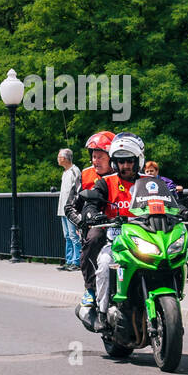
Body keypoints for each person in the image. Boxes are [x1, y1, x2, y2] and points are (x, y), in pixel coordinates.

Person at [77, 132, 147, 331]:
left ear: (138, 161)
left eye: (129, 161)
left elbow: (168, 199)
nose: (125, 166)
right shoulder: (105, 182)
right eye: (121, 161)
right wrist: (91, 213)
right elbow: (91, 202)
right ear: (115, 163)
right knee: (106, 263)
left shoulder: (148, 182)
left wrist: (182, 209)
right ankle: (102, 311)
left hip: (145, 237)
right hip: (116, 241)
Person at [64, 130, 115, 307]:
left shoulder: (123, 174)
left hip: (124, 224)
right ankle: (90, 289)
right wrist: (82, 222)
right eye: (94, 156)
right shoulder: (85, 175)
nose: (95, 161)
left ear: (111, 157)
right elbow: (69, 206)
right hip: (98, 224)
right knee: (93, 239)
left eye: (100, 157)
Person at [56, 148, 82, 272]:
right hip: (62, 209)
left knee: (73, 236)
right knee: (67, 236)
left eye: (59, 157)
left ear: (65, 158)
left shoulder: (74, 171)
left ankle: (76, 261)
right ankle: (69, 261)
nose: (58, 159)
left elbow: (78, 190)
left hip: (71, 210)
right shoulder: (65, 172)